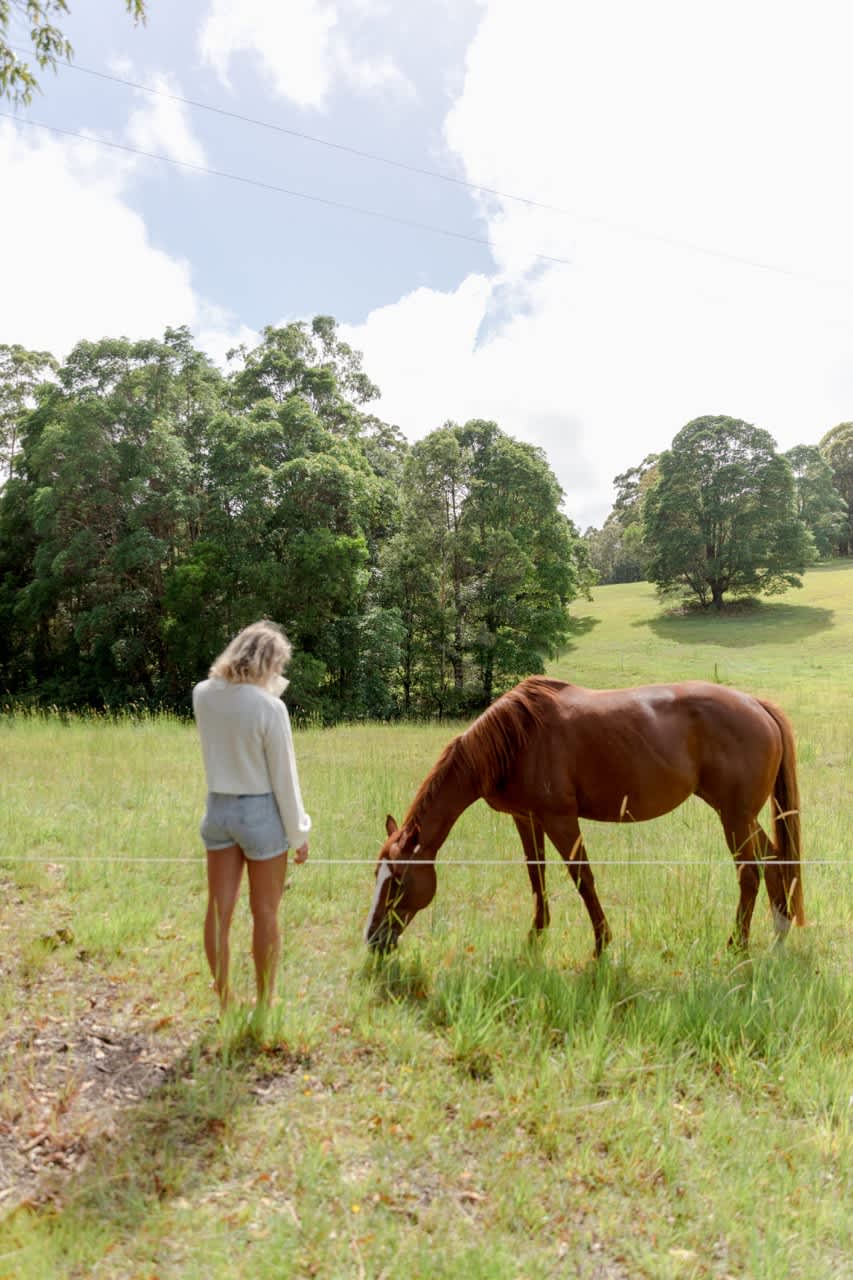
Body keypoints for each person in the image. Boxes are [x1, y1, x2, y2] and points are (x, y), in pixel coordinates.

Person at [192, 620, 311, 1010]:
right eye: (279, 666)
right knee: (265, 912)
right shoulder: (270, 707)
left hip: (218, 808)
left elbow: (230, 696)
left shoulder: (202, 695)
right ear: (270, 662)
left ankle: (225, 998)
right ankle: (264, 1001)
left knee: (218, 911)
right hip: (260, 812)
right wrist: (299, 833)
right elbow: (284, 778)